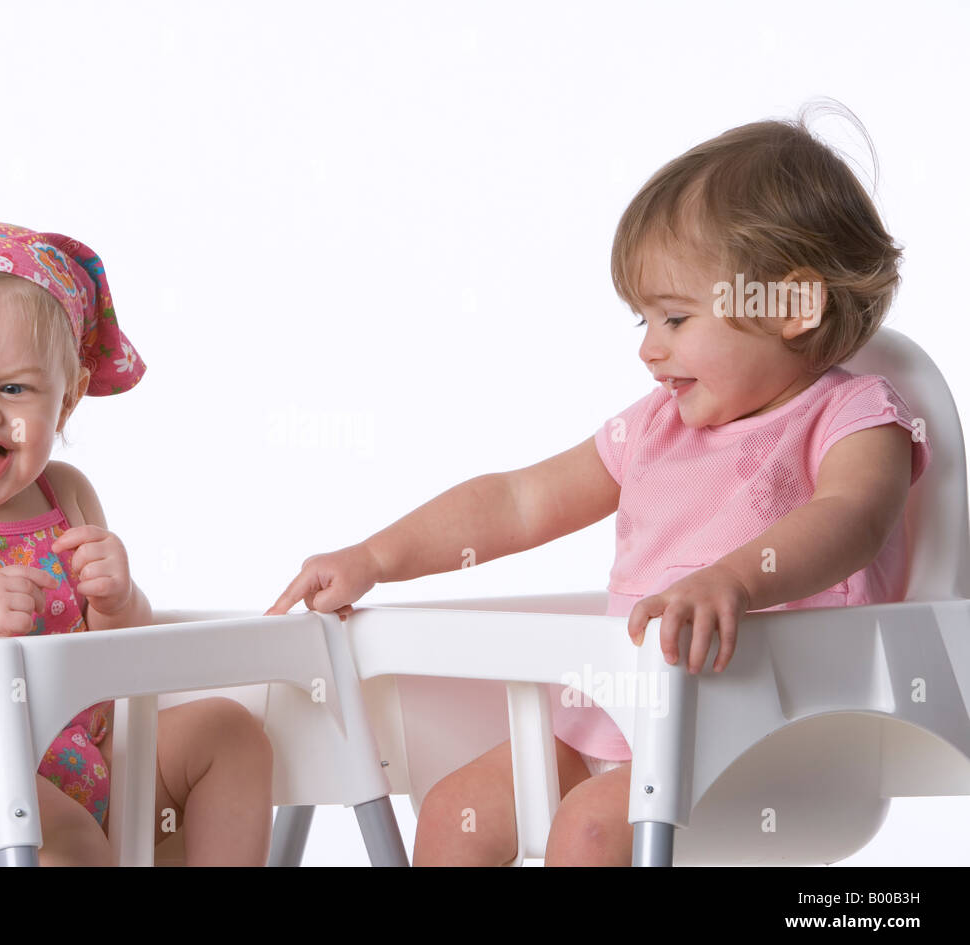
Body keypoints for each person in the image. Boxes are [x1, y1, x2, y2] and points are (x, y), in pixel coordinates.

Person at [267, 107, 930, 865]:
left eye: (675, 319)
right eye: (641, 321)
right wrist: (377, 558)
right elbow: (518, 500)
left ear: (794, 306)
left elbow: (854, 517)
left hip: (766, 742)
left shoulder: (852, 416)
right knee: (454, 812)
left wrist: (737, 580)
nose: (650, 350)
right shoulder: (655, 426)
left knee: (586, 832)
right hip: (612, 719)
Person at [0, 220, 272, 865]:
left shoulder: (68, 494)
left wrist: (119, 602)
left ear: (68, 400)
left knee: (228, 734)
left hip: (86, 756)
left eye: (14, 388)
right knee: (68, 841)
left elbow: (123, 655)